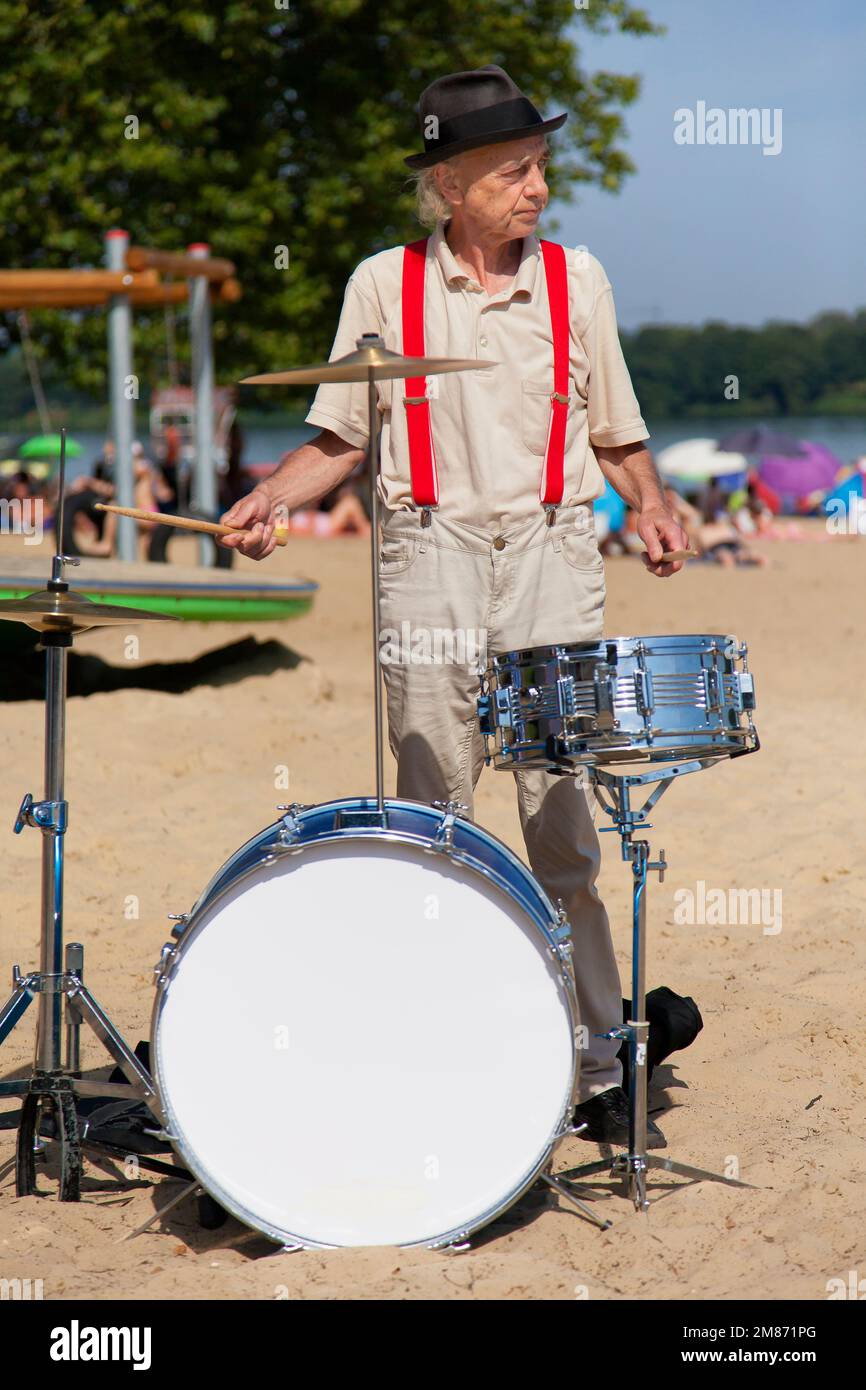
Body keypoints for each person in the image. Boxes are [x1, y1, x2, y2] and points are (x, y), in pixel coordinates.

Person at [219, 65, 689, 1147]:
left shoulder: (581, 282)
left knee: (559, 804)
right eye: (513, 171)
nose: (536, 188)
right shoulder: (381, 284)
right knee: (433, 808)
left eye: (538, 167)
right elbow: (339, 438)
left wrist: (655, 508)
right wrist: (264, 498)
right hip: (424, 552)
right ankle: (459, 1034)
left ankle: (596, 1051)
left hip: (550, 554)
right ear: (449, 182)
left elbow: (617, 437)